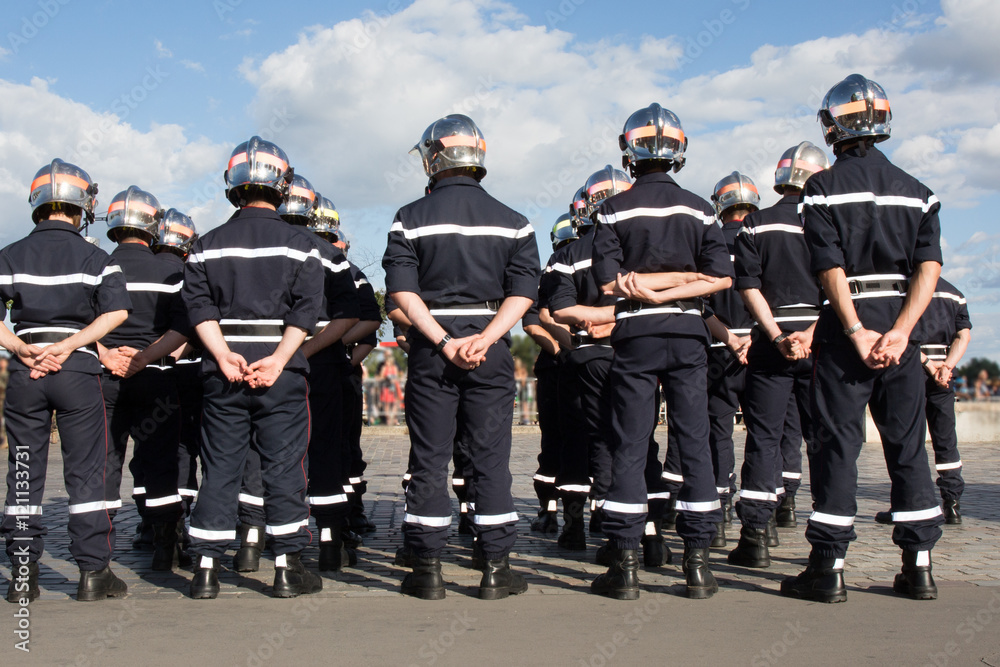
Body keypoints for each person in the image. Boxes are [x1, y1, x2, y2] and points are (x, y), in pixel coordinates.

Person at [783, 74, 944, 603]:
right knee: (907, 446)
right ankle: (918, 566)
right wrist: (900, 333)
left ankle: (829, 568)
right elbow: (930, 268)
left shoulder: (821, 189)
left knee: (837, 446)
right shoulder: (920, 194)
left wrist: (855, 330)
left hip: (845, 327)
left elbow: (828, 268)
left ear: (832, 127)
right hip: (901, 327)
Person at [382, 113, 540, 600]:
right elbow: (524, 293)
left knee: (430, 459)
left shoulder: (409, 217)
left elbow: (403, 295)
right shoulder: (515, 221)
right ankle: (495, 568)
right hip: (488, 350)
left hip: (434, 352)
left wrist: (444, 342)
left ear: (433, 159)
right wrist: (489, 336)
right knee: (490, 458)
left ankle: (427, 569)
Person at [589, 103, 734, 600]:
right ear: (679, 151)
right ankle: (698, 566)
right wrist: (682, 283)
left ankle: (625, 565)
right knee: (694, 442)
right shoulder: (701, 208)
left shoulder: (613, 208)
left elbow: (609, 285)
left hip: (636, 335)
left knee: (630, 443)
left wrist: (646, 290)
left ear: (629, 153)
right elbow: (719, 277)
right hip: (691, 333)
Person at [182, 136, 326, 599]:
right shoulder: (302, 244)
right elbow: (306, 311)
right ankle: (287, 567)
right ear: (281, 185)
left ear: (233, 186)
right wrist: (279, 360)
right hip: (279, 373)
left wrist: (223, 354)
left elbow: (198, 308)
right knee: (284, 467)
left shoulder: (205, 246)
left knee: (220, 467)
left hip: (222, 373)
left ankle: (205, 569)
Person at [1, 159, 131, 602]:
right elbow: (116, 313)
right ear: (83, 207)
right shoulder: (97, 257)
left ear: (37, 201)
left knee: (23, 469)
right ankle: (94, 572)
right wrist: (72, 343)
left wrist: (20, 348)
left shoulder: (10, 254)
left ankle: (22, 574)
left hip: (26, 368)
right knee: (85, 472)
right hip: (76, 368)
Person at [727, 142, 829, 569]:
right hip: (822, 343)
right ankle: (825, 543)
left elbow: (748, 287)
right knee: (823, 439)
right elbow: (841, 288)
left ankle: (755, 536)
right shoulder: (830, 223)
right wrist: (809, 333)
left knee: (763, 437)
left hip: (771, 345)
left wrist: (777, 336)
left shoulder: (756, 225)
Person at [98, 187, 188, 572]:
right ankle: (164, 548)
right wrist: (144, 357)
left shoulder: (95, 264)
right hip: (157, 379)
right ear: (154, 226)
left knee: (103, 463)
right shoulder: (171, 272)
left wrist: (107, 354)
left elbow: (81, 322)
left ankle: (96, 557)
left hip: (103, 379)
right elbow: (184, 328)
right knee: (161, 464)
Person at [548, 166, 631, 554]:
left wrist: (590, 323)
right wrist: (616, 322)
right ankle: (618, 522)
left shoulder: (567, 254)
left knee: (573, 440)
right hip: (631, 356)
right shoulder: (636, 249)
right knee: (623, 439)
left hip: (580, 357)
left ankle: (573, 525)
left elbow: (555, 310)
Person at [876, 278, 971, 525]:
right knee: (946, 439)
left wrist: (928, 364)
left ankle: (906, 503)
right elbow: (963, 336)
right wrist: (947, 367)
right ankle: (952, 503)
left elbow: (899, 334)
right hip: (944, 374)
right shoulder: (955, 294)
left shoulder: (905, 289)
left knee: (908, 439)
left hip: (911, 367)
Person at [522, 217, 577, 535]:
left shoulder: (546, 276)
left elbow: (532, 324)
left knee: (554, 440)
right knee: (591, 440)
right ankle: (592, 512)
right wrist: (568, 352)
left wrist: (558, 351)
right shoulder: (601, 265)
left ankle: (549, 510)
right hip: (578, 364)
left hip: (558, 366)